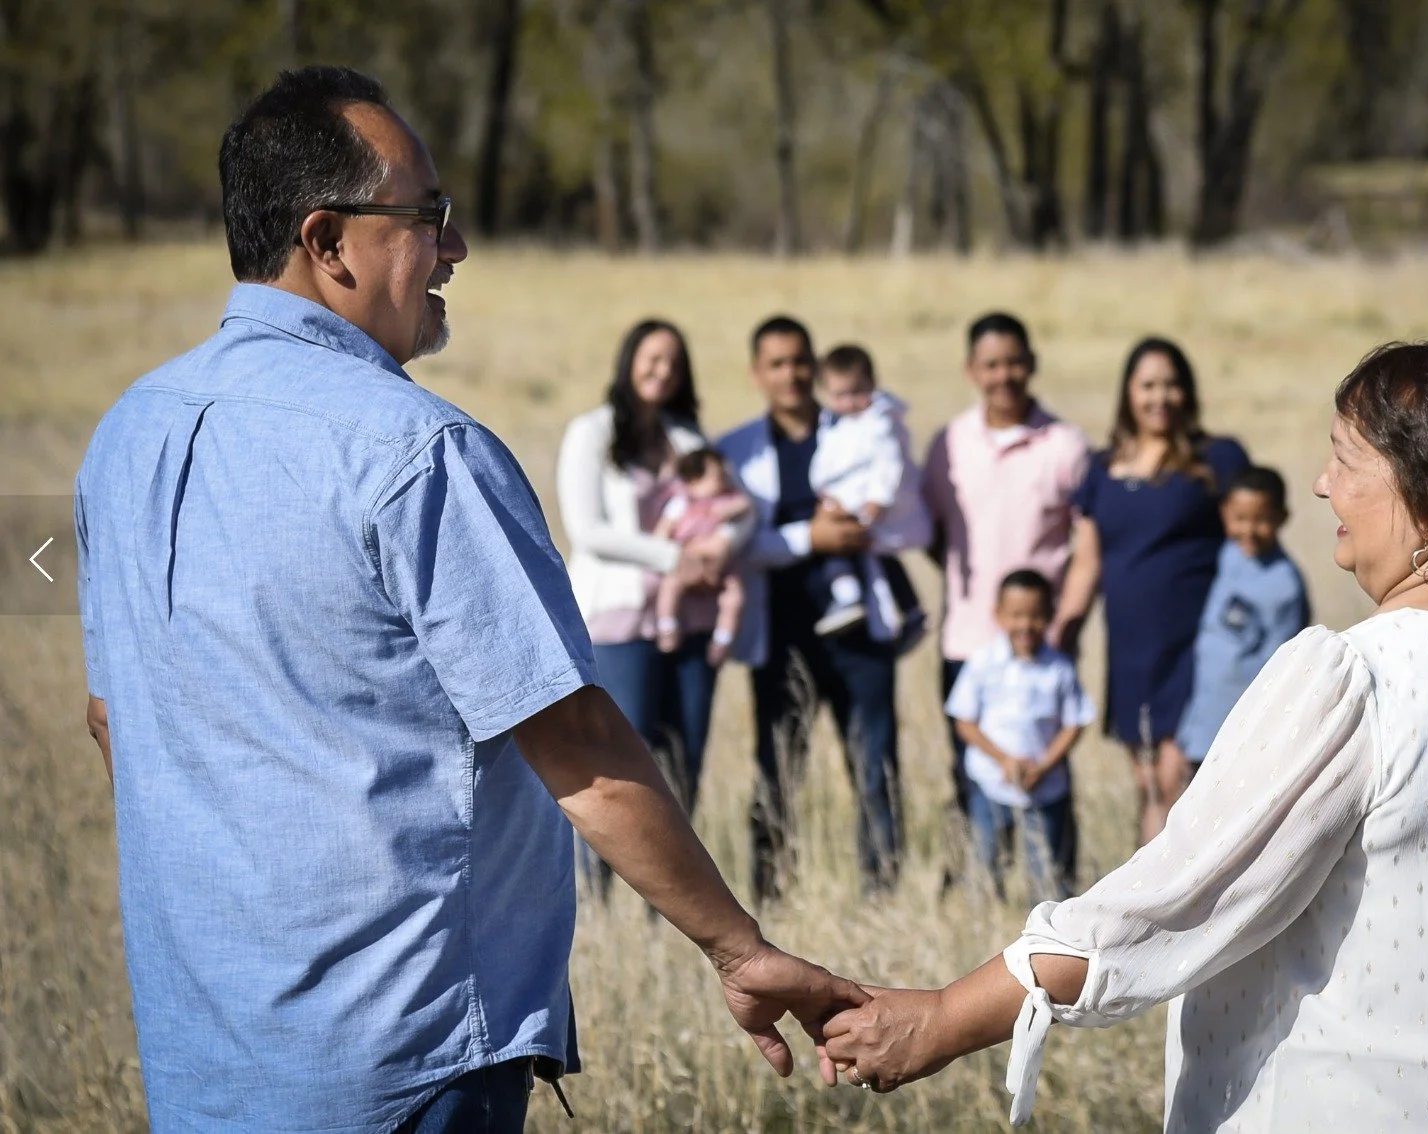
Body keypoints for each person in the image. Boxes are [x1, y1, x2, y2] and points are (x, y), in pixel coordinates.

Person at [74, 68, 861, 1133]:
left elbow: (113, 720)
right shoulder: (420, 453)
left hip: (204, 1055)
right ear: (327, 239)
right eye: (427, 215)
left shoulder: (123, 434)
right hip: (403, 1055)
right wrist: (738, 949)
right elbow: (573, 738)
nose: (454, 248)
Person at [823, 333, 1428, 1134]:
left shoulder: (1365, 678)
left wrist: (941, 1018)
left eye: (1347, 461)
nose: (1319, 485)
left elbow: (1163, 908)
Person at [720, 316, 924, 901]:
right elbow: (735, 544)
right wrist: (813, 538)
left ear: (817, 365)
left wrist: (865, 528)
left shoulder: (862, 427)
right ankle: (771, 892)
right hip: (782, 636)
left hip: (860, 634)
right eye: (777, 363)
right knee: (777, 765)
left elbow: (902, 505)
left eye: (800, 361)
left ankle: (882, 890)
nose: (791, 374)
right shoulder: (737, 451)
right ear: (758, 373)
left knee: (875, 763)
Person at [557, 318, 747, 893]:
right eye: (651, 358)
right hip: (619, 618)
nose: (661, 371)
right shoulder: (590, 433)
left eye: (673, 361)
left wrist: (716, 549)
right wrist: (673, 557)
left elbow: (736, 512)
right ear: (629, 361)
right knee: (621, 762)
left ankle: (671, 896)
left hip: (693, 617)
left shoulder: (689, 439)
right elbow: (587, 530)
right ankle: (600, 890)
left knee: (684, 758)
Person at [1051, 336, 1249, 846]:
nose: (1159, 397)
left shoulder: (1217, 460)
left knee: (1177, 778)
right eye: (1147, 386)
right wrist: (1064, 629)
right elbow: (1087, 562)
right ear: (1128, 394)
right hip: (1132, 651)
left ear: (1188, 392)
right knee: (1146, 786)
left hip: (1197, 648)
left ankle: (1190, 909)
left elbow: (1250, 543)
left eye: (1171, 385)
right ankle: (1147, 910)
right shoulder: (1100, 469)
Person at [922, 312, 1089, 865]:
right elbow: (934, 533)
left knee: (1046, 781)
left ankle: (1050, 897)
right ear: (972, 370)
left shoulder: (1065, 446)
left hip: (1042, 646)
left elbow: (1088, 543)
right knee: (973, 774)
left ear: (1032, 363)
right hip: (969, 642)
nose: (1004, 375)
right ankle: (979, 886)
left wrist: (1063, 625)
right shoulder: (949, 443)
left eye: (1014, 361)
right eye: (991, 364)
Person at [944, 569, 1095, 903]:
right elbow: (964, 721)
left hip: (1044, 786)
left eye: (1036, 616)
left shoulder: (1059, 668)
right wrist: (1003, 760)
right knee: (987, 858)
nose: (1025, 625)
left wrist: (1043, 767)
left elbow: (1074, 723)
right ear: (999, 615)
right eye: (1016, 615)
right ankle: (985, 918)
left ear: (1050, 615)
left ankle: (1040, 930)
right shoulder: (983, 663)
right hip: (991, 782)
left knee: (1046, 871)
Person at [1176, 466, 1310, 764]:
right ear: (1225, 513)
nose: (1248, 530)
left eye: (1261, 520)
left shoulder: (1284, 584)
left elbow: (1282, 666)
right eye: (1240, 519)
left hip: (1242, 734)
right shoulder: (1228, 554)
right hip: (1203, 720)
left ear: (1282, 518)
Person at [807, 344, 929, 644]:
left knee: (873, 555)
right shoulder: (833, 425)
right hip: (843, 503)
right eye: (839, 395)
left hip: (868, 505)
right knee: (865, 555)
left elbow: (889, 464)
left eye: (856, 392)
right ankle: (901, 610)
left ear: (872, 385)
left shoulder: (879, 423)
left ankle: (858, 599)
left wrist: (878, 499)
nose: (848, 402)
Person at [654, 448, 750, 666]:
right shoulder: (682, 503)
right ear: (694, 481)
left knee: (734, 597)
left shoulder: (728, 499)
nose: (725, 479)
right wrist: (670, 549)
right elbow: (664, 530)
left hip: (722, 566)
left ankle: (723, 639)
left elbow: (746, 505)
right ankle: (667, 625)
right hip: (685, 562)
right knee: (670, 588)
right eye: (718, 476)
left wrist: (728, 511)